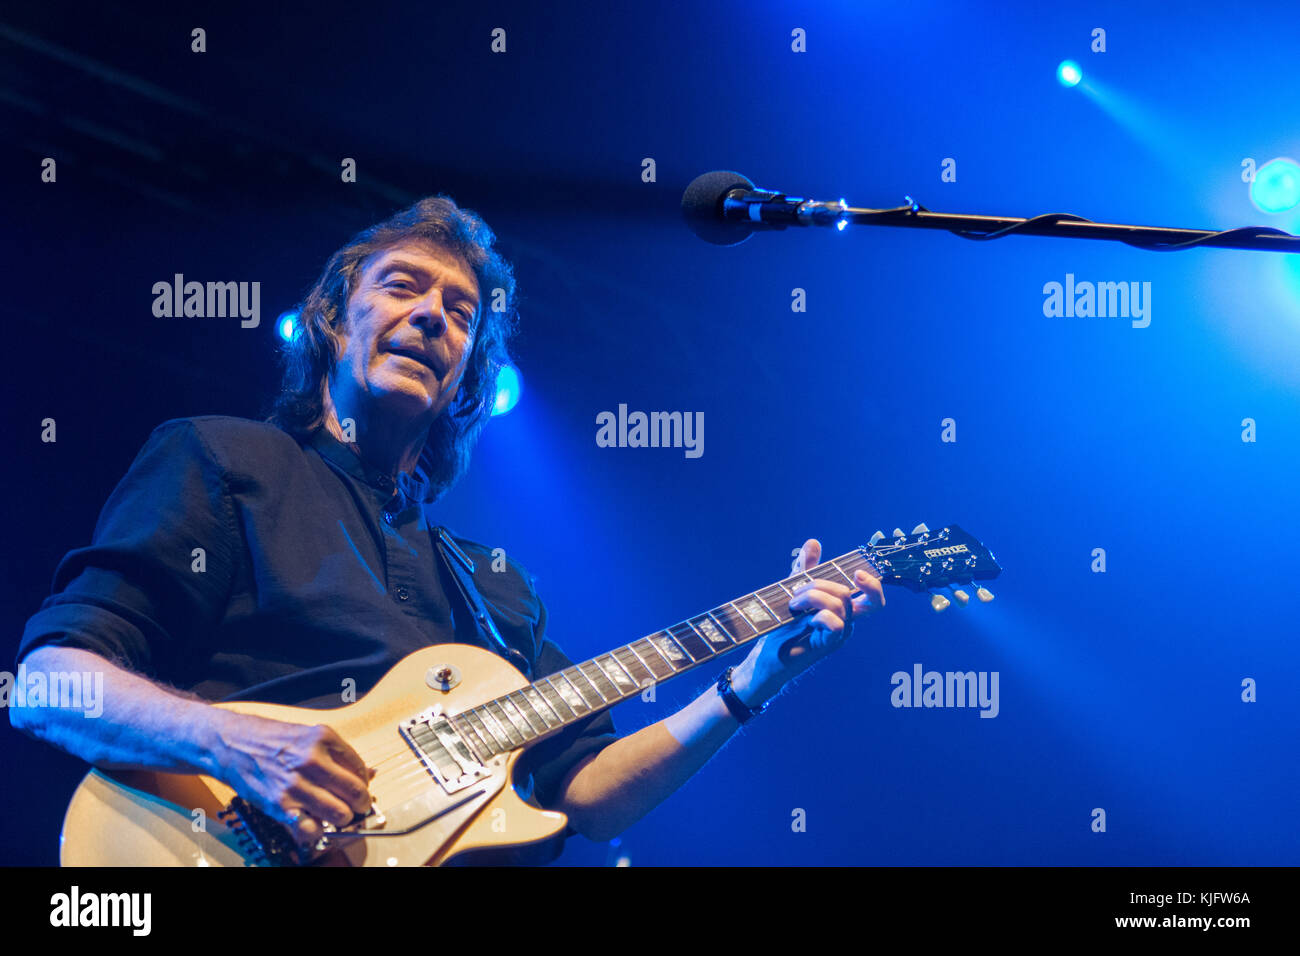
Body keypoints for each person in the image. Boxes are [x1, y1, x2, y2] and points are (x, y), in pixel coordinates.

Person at [10, 196, 884, 860]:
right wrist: (230, 741)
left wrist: (755, 680)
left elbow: (585, 790)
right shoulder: (224, 459)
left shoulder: (494, 589)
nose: (434, 314)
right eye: (402, 286)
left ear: (468, 373)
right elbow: (50, 683)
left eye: (461, 312)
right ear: (330, 319)